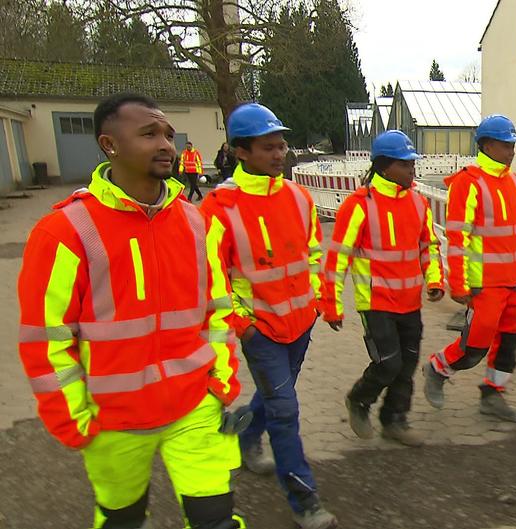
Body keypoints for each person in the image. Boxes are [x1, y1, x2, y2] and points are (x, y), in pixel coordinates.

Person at [17, 92, 247, 528]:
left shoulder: (195, 222)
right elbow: (45, 338)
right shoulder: (64, 231)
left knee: (216, 520)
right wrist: (73, 418)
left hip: (195, 404)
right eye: (149, 134)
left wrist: (220, 380)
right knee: (123, 521)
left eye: (166, 133)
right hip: (112, 419)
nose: (166, 144)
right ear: (110, 144)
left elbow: (218, 310)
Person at [200, 103, 336, 529]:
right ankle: (305, 500)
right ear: (240, 151)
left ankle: (243, 439)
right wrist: (243, 325)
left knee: (276, 399)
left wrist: (316, 301)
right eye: (268, 147)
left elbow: (314, 254)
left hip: (301, 325)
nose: (280, 154)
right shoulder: (219, 208)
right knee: (285, 410)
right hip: (262, 332)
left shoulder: (298, 197)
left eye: (281, 145)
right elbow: (211, 279)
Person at [322, 130, 444, 447]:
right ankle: (359, 400)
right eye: (406, 165)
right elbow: (337, 259)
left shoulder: (418, 203)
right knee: (387, 363)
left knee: (407, 365)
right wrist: (332, 305)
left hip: (409, 303)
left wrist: (434, 279)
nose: (412, 170)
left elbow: (428, 246)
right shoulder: (358, 206)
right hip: (375, 303)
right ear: (386, 167)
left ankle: (394, 420)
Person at [422, 114, 516, 423]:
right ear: (487, 145)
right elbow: (457, 238)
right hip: (484, 286)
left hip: (513, 284)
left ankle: (493, 395)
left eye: (513, 144)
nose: (512, 151)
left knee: (510, 342)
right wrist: (460, 285)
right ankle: (438, 368)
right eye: (506, 145)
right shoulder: (468, 182)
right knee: (474, 347)